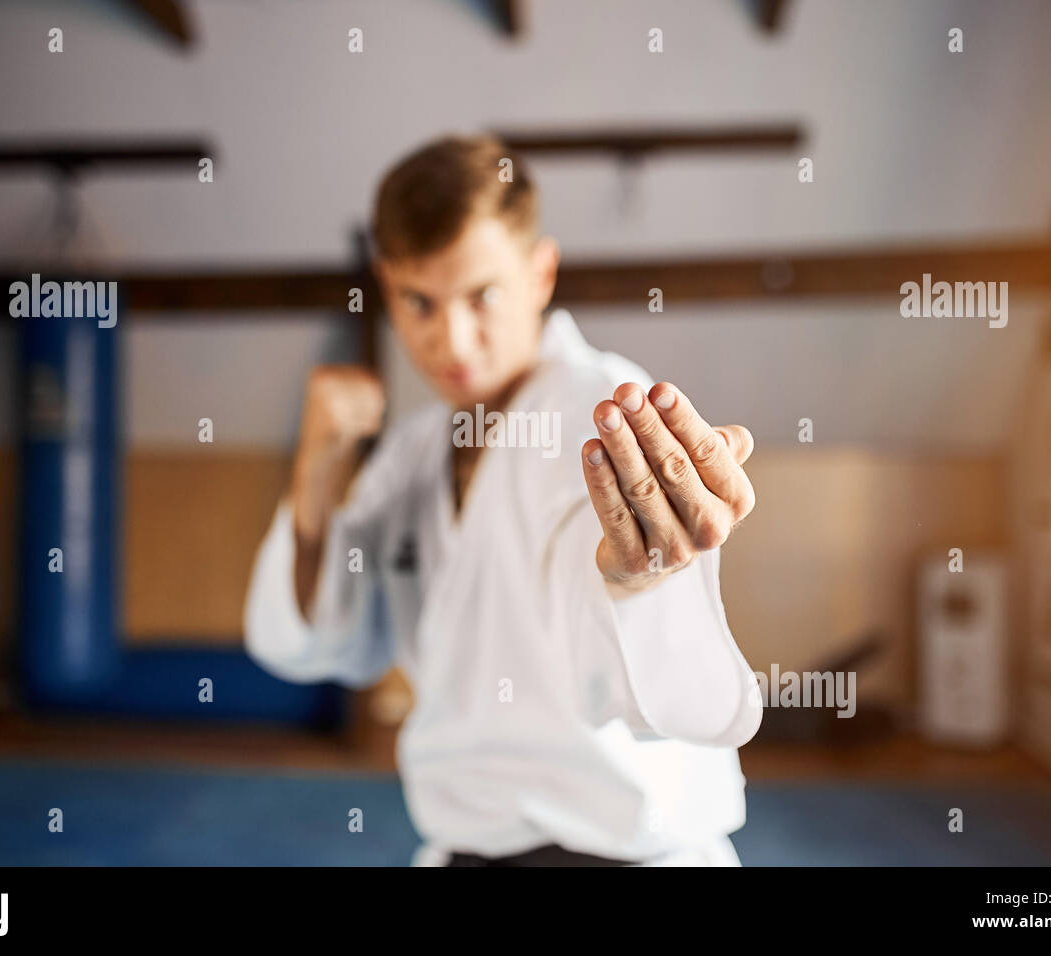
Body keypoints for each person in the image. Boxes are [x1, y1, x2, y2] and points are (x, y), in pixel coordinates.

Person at [244, 133, 763, 866]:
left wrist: (642, 580)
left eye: (482, 296)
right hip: (467, 846)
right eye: (418, 302)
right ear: (386, 285)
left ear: (540, 273)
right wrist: (316, 467)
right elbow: (320, 639)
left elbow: (648, 680)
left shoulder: (602, 412)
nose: (451, 339)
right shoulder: (411, 456)